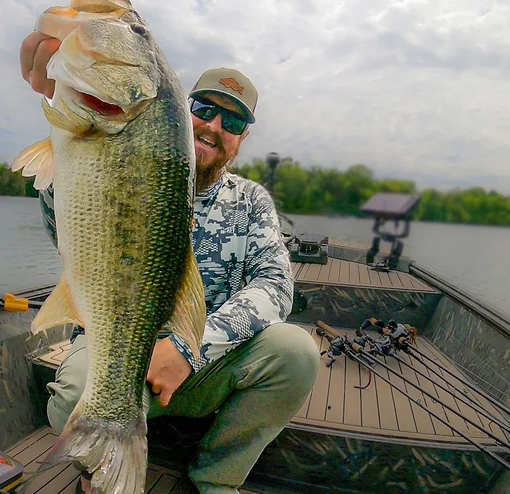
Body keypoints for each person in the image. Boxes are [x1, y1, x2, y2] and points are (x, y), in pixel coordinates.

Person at [19, 31, 319, 494]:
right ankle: (106, 467)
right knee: (74, 397)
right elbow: (66, 222)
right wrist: (65, 99)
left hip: (205, 365)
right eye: (204, 109)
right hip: (118, 358)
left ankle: (216, 477)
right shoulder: (121, 162)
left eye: (233, 120)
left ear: (242, 137)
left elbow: (276, 287)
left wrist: (189, 350)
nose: (215, 126)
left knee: (296, 354)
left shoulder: (252, 201)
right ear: (182, 110)